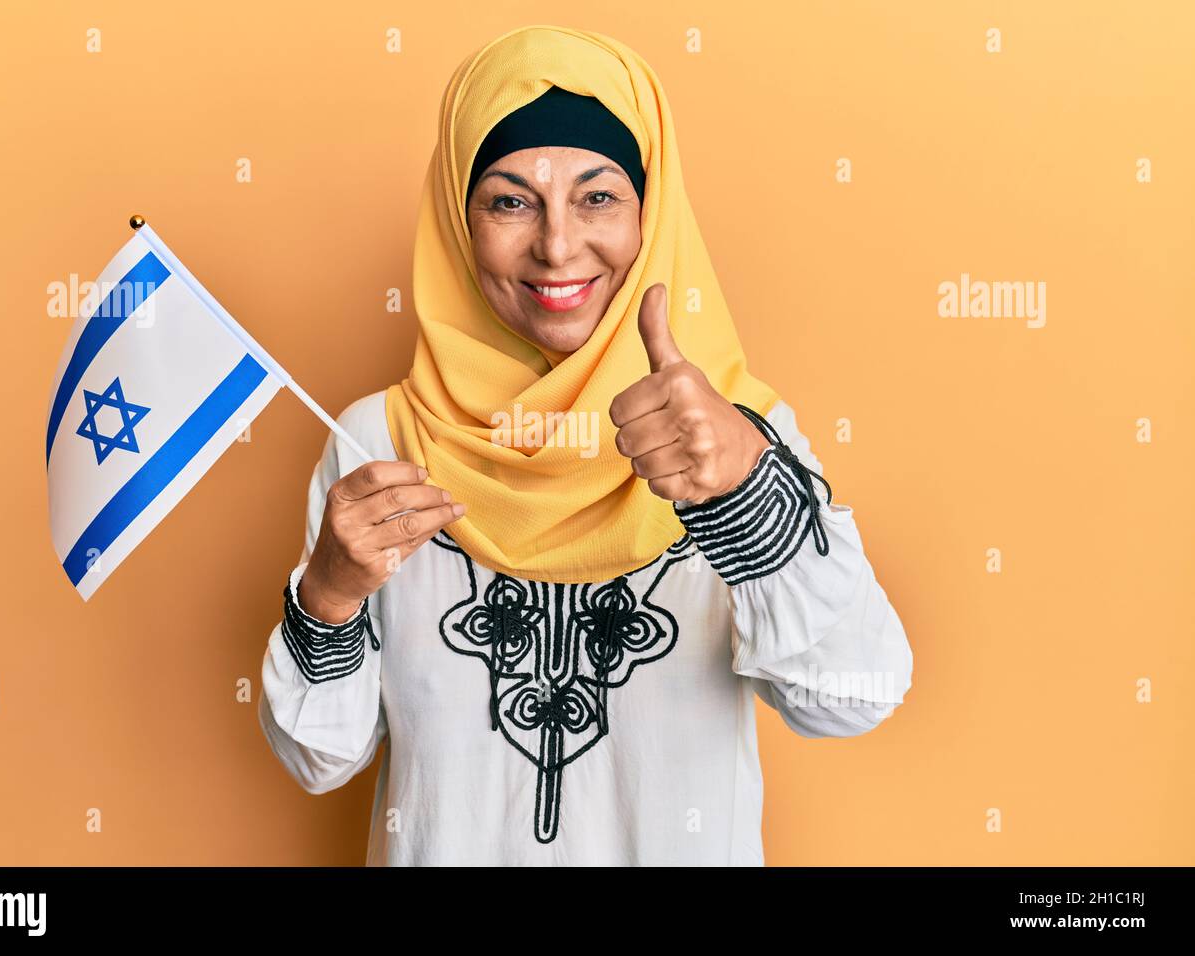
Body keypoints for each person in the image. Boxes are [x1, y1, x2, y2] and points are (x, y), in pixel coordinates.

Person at [258, 24, 913, 865]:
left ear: (654, 210)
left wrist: (749, 491)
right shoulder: (380, 444)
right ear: (458, 223)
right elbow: (321, 758)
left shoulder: (732, 436)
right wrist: (329, 595)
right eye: (508, 200)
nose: (557, 245)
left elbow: (851, 699)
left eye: (599, 196)